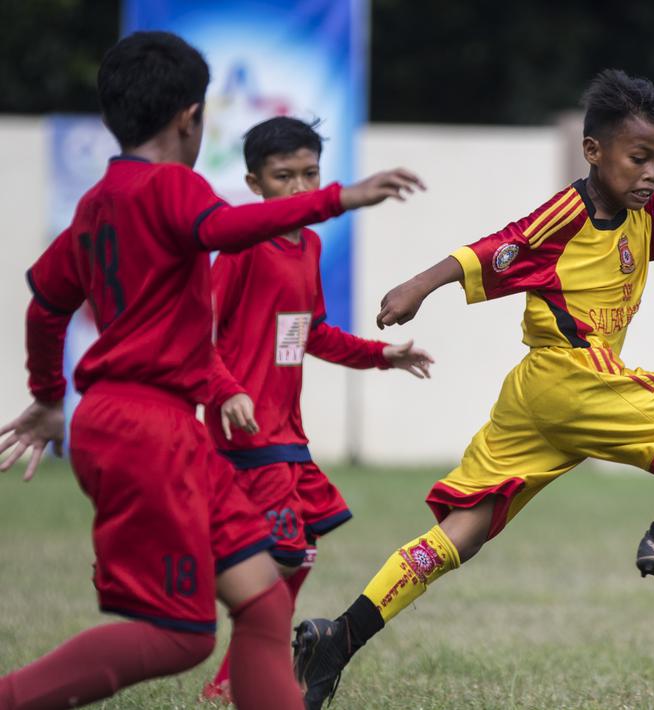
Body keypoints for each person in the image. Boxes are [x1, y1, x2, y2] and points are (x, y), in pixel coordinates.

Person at [293, 68, 654, 709]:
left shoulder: (653, 213)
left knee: (463, 533)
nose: (651, 174)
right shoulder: (567, 213)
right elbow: (493, 249)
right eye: (638, 158)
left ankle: (338, 638)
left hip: (536, 398)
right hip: (572, 376)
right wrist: (418, 286)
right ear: (593, 151)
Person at [0, 31, 421, 710]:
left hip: (152, 425)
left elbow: (46, 306)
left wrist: (50, 397)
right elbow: (225, 230)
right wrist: (339, 197)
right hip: (146, 429)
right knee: (179, 637)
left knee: (263, 599)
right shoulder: (172, 186)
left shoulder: (96, 203)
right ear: (189, 117)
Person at [200, 116, 435, 703]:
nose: (300, 187)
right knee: (281, 553)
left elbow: (310, 333)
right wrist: (227, 391)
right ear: (254, 183)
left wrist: (382, 355)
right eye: (284, 176)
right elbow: (199, 335)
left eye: (310, 174)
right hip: (248, 433)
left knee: (300, 552)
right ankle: (217, 633)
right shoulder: (240, 248)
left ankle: (230, 676)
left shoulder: (308, 244)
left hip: (286, 433)